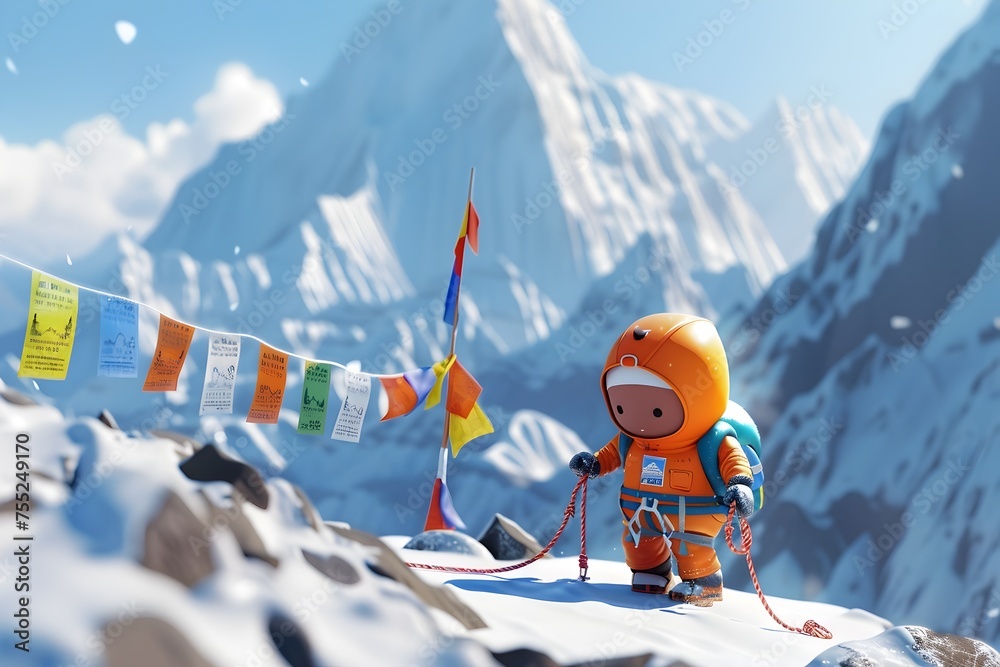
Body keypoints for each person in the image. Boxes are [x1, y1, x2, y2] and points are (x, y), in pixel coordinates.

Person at [569, 313, 755, 605]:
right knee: (637, 541)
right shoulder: (631, 439)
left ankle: (704, 581)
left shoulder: (712, 439)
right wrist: (595, 463)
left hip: (693, 510)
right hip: (640, 510)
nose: (637, 418)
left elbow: (733, 459)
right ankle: (651, 571)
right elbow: (611, 453)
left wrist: (740, 484)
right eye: (621, 407)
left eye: (656, 411)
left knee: (690, 544)